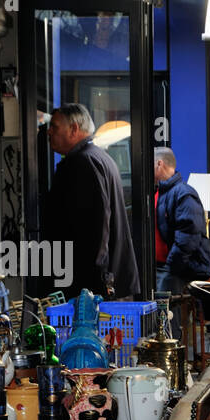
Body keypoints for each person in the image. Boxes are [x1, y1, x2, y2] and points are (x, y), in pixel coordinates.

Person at [41, 103, 140, 300]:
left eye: (55, 127)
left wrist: (95, 282)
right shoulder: (99, 157)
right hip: (103, 280)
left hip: (89, 285)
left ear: (74, 129)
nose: (49, 132)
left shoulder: (82, 162)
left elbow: (96, 226)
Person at [154, 147, 210, 294]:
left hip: (172, 271)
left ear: (159, 164)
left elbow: (188, 236)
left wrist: (172, 267)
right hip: (161, 269)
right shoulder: (158, 193)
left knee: (168, 308)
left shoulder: (184, 193)